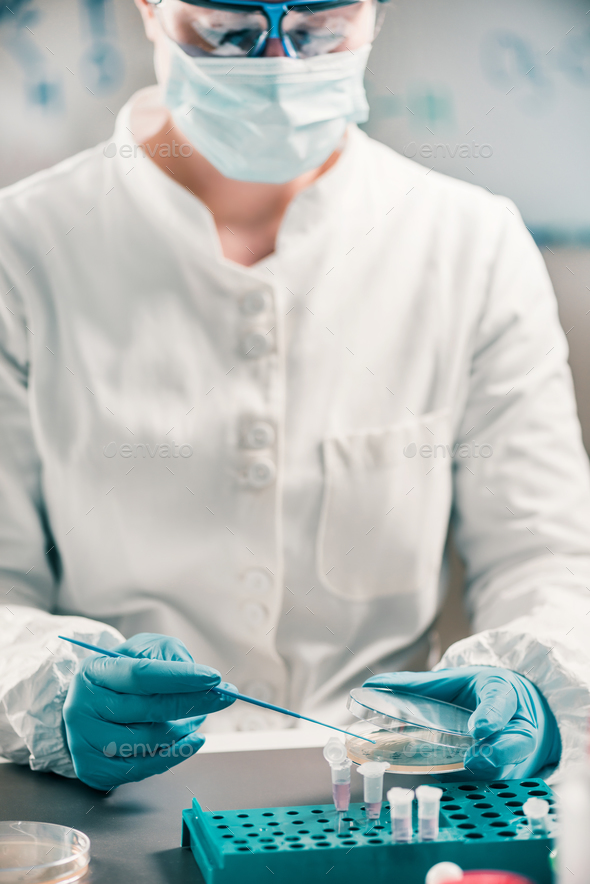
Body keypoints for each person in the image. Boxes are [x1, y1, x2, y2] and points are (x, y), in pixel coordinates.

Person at [0, 0, 588, 792]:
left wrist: (536, 680)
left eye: (319, 26)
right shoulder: (22, 251)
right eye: (228, 28)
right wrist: (50, 689)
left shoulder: (469, 244)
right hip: (113, 796)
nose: (278, 64)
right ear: (149, 7)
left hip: (385, 787)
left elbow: (544, 553)